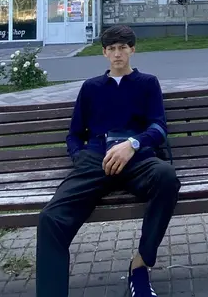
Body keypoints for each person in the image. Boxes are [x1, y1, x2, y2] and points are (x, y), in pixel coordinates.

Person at [36, 24, 180, 297]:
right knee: (50, 218)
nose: (117, 54)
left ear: (132, 50)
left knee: (167, 177)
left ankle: (140, 265)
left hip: (137, 158)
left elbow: (159, 128)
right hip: (96, 160)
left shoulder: (147, 83)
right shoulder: (91, 88)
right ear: (104, 53)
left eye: (122, 48)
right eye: (111, 49)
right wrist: (80, 157)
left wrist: (133, 144)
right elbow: (74, 134)